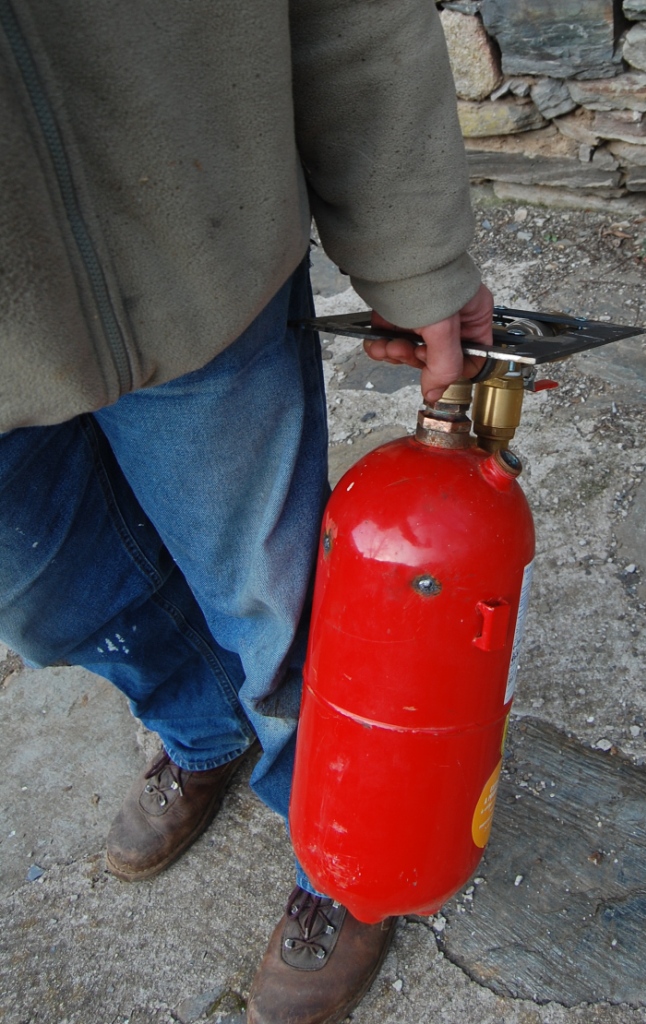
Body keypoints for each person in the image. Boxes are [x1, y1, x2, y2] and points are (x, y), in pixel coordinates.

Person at [0, 1, 493, 1021]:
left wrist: (414, 254)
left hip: (193, 251)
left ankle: (340, 848)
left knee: (274, 602)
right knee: (57, 600)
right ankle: (201, 733)